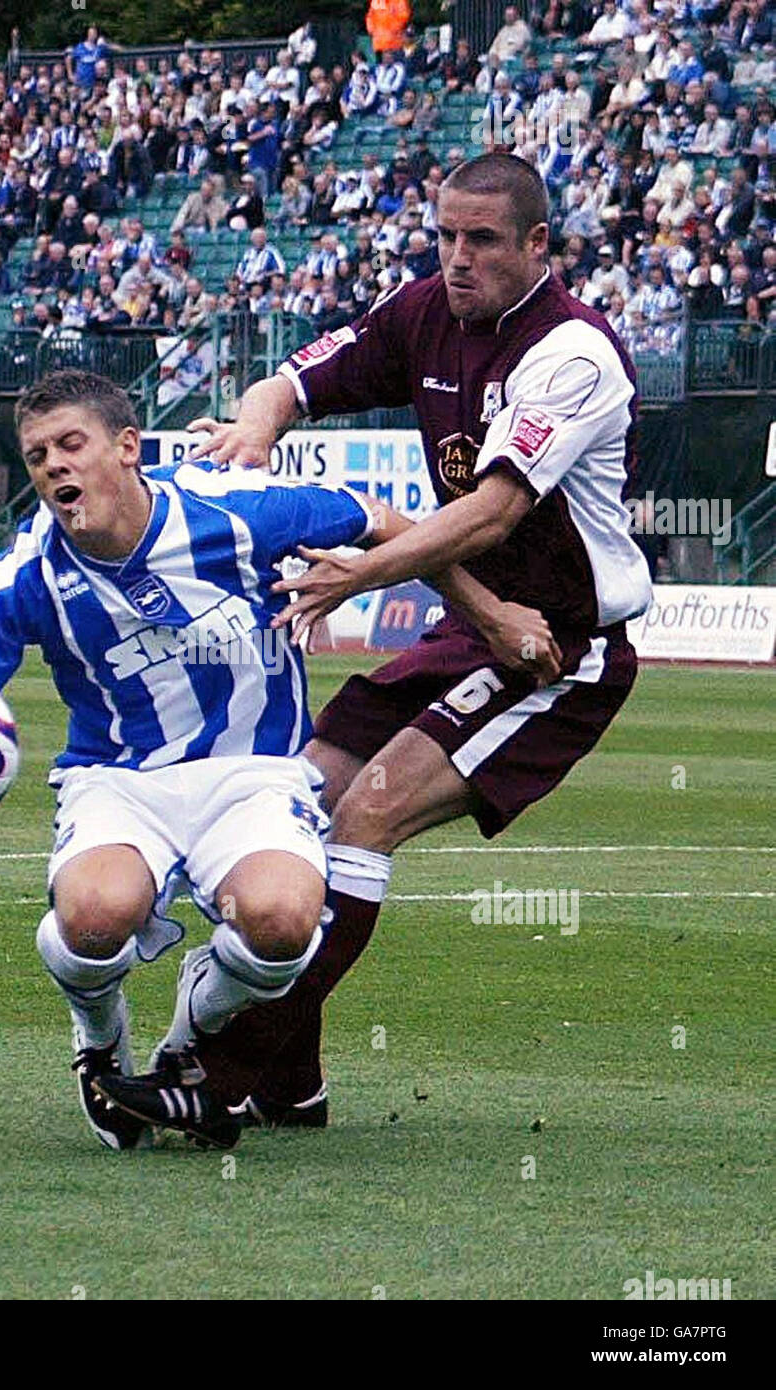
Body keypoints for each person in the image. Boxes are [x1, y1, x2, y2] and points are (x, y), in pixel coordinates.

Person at [0, 368, 552, 1151]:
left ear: (127, 448)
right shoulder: (26, 575)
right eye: (37, 457)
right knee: (98, 914)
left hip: (256, 774)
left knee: (281, 921)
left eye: (72, 444)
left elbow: (377, 521)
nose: (54, 467)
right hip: (118, 781)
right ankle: (99, 1044)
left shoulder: (232, 508)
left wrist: (487, 612)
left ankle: (190, 1033)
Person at [120, 152, 653, 1143]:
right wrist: (253, 429)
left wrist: (355, 574)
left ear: (537, 246)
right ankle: (293, 1083)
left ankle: (217, 1073)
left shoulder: (570, 354)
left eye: (482, 240)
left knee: (364, 816)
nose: (457, 258)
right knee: (292, 804)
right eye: (445, 236)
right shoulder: (420, 313)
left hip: (555, 648)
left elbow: (491, 512)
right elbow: (290, 382)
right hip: (472, 628)